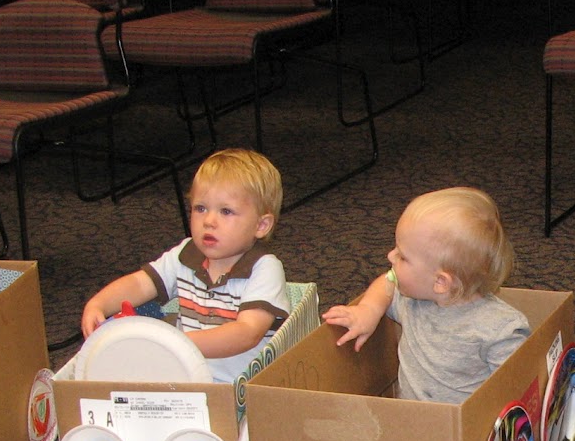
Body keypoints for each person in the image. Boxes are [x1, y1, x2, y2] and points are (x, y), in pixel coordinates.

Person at [80, 148, 289, 386]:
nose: (209, 221)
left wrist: (176, 341)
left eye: (226, 211)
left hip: (240, 387)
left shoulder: (265, 269)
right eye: (200, 208)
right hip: (184, 374)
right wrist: (98, 304)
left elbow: (246, 333)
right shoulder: (186, 253)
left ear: (261, 225)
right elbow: (140, 283)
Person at [322, 187, 530, 403]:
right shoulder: (413, 300)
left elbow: (517, 390)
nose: (390, 256)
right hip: (416, 422)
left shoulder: (499, 328)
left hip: (465, 430)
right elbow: (387, 281)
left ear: (440, 282)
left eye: (402, 257)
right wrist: (368, 310)